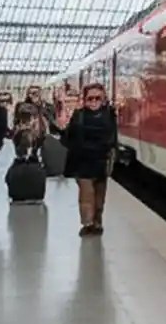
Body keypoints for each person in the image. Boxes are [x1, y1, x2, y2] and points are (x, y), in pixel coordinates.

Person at [63, 83, 118, 236]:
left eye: (98, 98)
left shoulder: (109, 115)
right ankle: (88, 224)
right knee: (86, 196)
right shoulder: (78, 115)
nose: (94, 102)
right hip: (83, 162)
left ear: (104, 99)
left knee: (99, 199)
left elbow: (113, 137)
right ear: (85, 100)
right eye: (90, 98)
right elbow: (68, 137)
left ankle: (97, 222)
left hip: (101, 162)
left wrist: (112, 155)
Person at [11, 86, 57, 163]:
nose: (31, 96)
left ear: (40, 94)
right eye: (29, 93)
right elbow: (23, 113)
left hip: (43, 138)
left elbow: (52, 120)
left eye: (35, 93)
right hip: (27, 139)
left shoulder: (48, 107)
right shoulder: (23, 106)